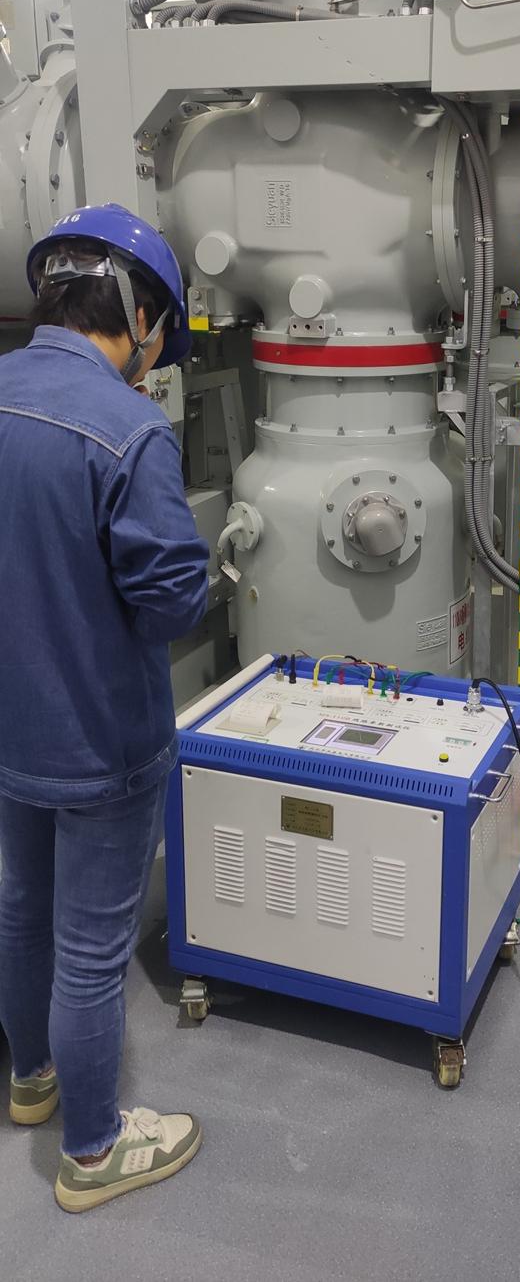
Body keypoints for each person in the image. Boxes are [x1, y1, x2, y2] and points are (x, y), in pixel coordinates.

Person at [0, 204, 210, 1212]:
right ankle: (92, 1150)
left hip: (12, 727)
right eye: (160, 329)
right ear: (139, 313)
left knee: (18, 909)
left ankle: (31, 1080)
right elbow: (171, 601)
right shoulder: (128, 429)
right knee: (90, 949)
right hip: (101, 740)